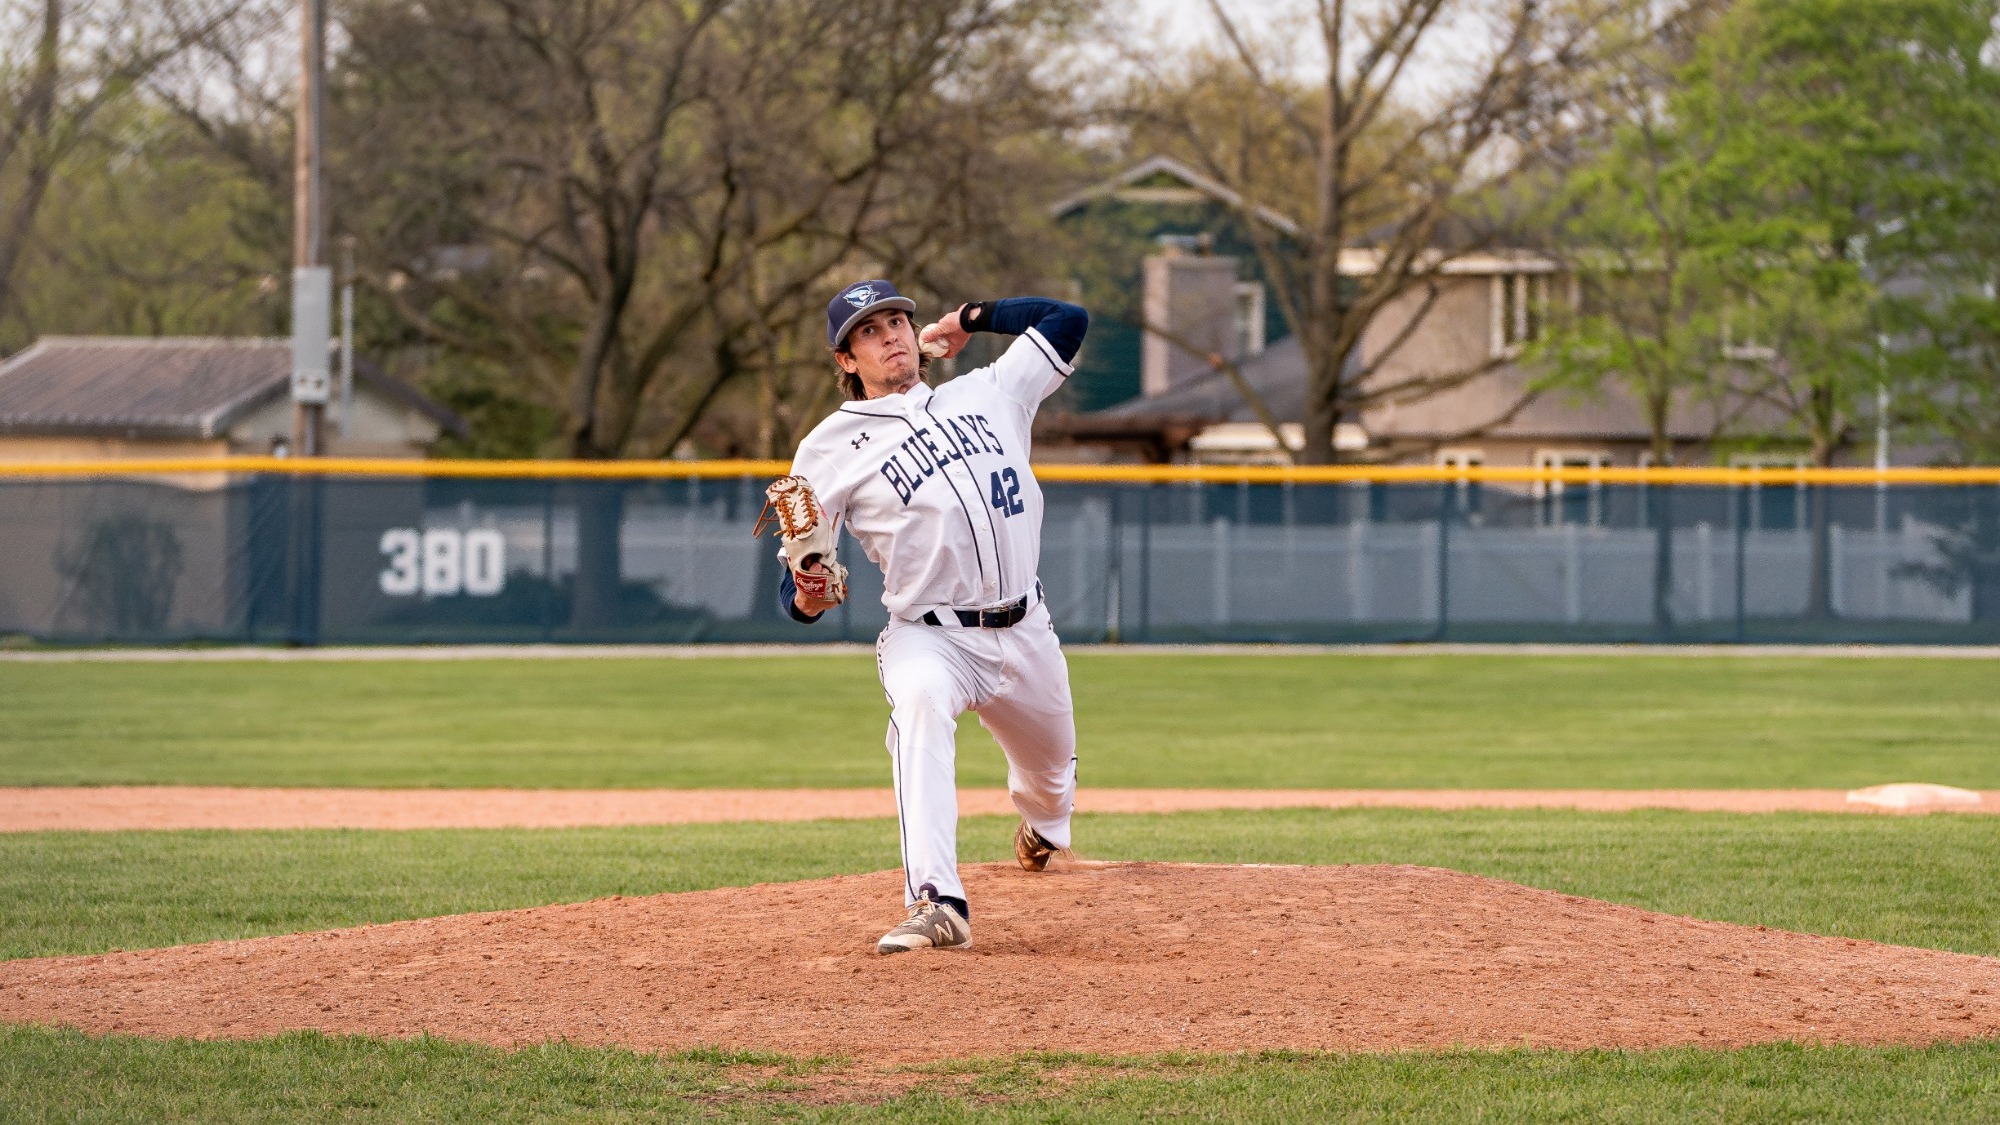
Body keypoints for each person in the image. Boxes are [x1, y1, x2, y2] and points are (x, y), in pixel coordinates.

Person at [777, 279, 1089, 954]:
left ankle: (1043, 826)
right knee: (917, 711)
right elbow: (801, 571)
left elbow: (1069, 319)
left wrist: (974, 317)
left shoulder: (988, 390)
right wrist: (804, 594)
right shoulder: (828, 448)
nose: (889, 334)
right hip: (931, 636)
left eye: (895, 320)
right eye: (868, 330)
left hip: (1026, 627)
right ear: (846, 360)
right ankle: (937, 900)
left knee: (1052, 775)